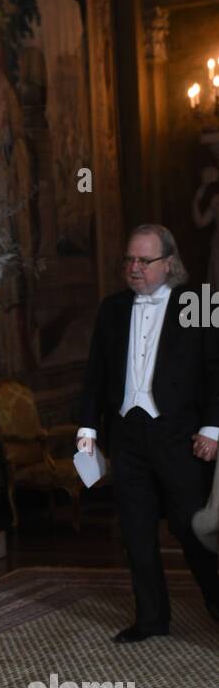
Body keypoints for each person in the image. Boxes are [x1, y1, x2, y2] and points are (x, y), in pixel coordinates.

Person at [77, 223, 219, 641]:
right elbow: (95, 376)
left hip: (181, 436)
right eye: (129, 260)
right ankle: (152, 619)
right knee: (135, 531)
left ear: (169, 263)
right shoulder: (112, 308)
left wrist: (213, 429)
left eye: (144, 260)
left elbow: (217, 372)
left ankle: (216, 600)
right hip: (127, 435)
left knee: (191, 527)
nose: (134, 268)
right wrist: (87, 430)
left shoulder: (199, 304)